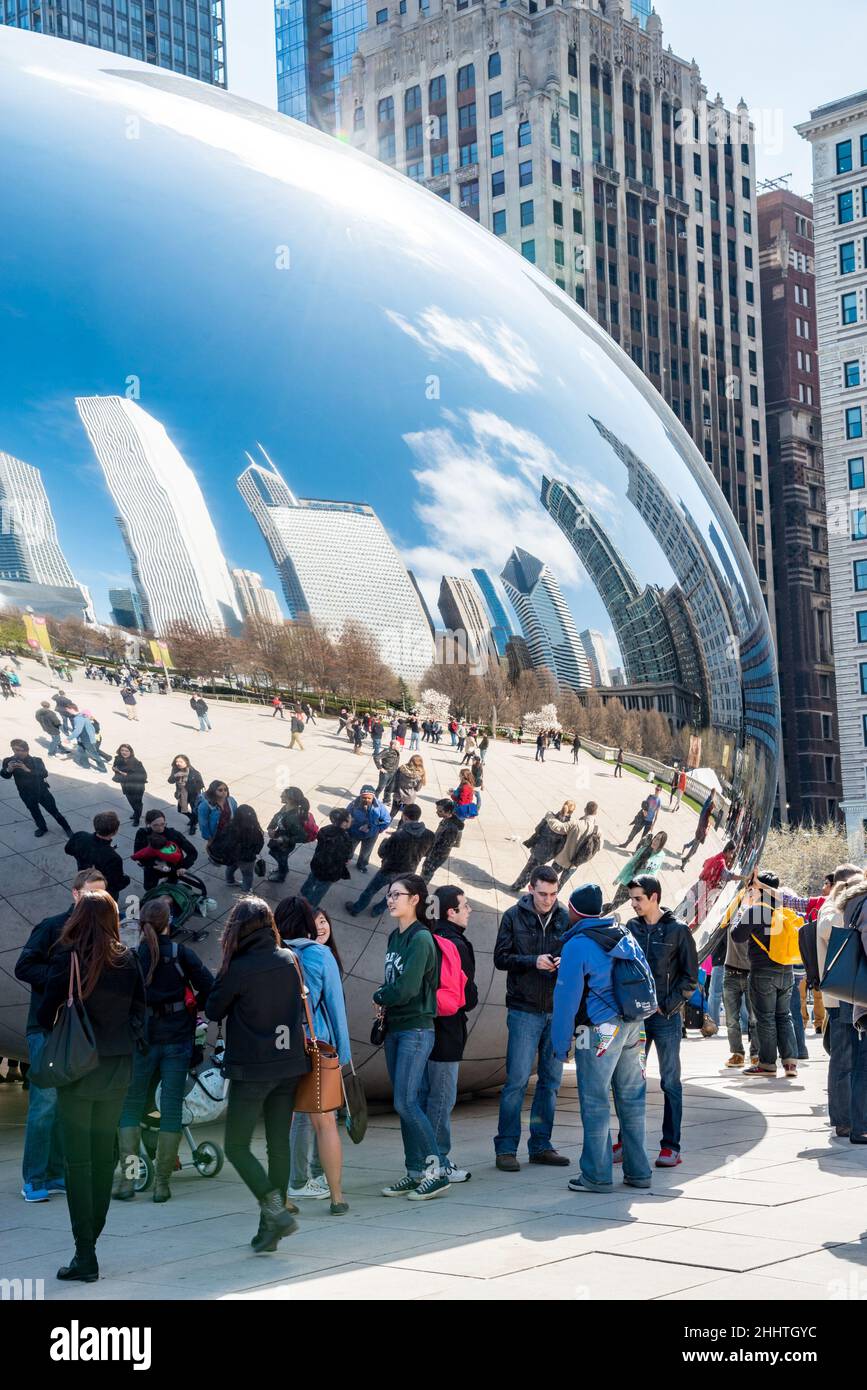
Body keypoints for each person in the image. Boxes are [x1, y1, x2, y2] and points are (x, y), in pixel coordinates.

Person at [37, 890, 145, 1282]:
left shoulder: (67, 959)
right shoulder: (128, 958)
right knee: (103, 1157)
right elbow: (139, 1011)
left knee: (77, 1163)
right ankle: (91, 1241)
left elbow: (45, 1010)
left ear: (78, 918)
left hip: (77, 1070)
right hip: (116, 1069)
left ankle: (86, 1252)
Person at [206, 897, 309, 1252]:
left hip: (253, 1069)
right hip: (290, 1065)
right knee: (278, 1145)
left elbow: (213, 1008)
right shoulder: (289, 959)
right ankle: (269, 1233)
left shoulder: (239, 967)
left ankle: (275, 1210)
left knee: (236, 1145)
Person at [551, 883, 653, 1194]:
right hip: (634, 1025)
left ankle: (596, 1176)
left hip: (601, 1030)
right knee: (632, 1099)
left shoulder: (578, 944)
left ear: (574, 911)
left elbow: (566, 997)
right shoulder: (624, 934)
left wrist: (560, 1044)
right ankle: (639, 1172)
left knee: (595, 1101)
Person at [14, 869, 107, 1203]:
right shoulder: (53, 926)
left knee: (65, 1104)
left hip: (79, 1031)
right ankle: (34, 1177)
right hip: (48, 1028)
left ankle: (55, 1173)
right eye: (90, 894)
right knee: (45, 1103)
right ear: (75, 894)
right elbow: (24, 966)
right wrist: (60, 978)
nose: (96, 901)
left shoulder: (101, 934)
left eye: (102, 896)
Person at [114, 898, 214, 1202]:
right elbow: (209, 986)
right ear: (169, 922)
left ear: (143, 924)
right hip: (178, 1040)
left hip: (143, 1041)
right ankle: (161, 1183)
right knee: (170, 1107)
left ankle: (129, 1181)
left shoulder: (132, 957)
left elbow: (121, 1000)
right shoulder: (182, 954)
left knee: (130, 1107)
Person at [374, 874, 450, 1200]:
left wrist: (380, 996)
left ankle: (437, 1171)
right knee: (407, 1103)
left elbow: (405, 988)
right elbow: (396, 982)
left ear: (415, 899)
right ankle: (415, 1171)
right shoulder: (395, 936)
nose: (391, 900)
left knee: (405, 1101)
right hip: (396, 1028)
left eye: (397, 895)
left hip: (416, 1029)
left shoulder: (421, 939)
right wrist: (386, 1002)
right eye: (389, 895)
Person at [493, 865, 571, 1171]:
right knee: (516, 1081)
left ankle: (541, 1145)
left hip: (556, 1011)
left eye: (553, 894)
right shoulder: (513, 916)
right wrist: (532, 961)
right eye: (542, 894)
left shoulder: (564, 917)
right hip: (524, 1010)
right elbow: (501, 958)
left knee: (550, 1082)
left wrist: (564, 961)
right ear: (531, 889)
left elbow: (575, 955)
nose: (548, 900)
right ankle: (506, 1148)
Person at [276, 898, 351, 1214]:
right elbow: (335, 1006)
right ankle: (336, 1198)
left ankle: (284, 1195)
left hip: (278, 1048)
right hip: (315, 1046)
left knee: (278, 1124)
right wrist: (342, 1054)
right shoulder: (320, 955)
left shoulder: (271, 954)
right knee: (326, 1124)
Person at [624, 876, 697, 1168]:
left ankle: (671, 1146)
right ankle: (625, 1142)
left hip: (665, 1019)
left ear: (654, 897)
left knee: (670, 1083)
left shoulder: (678, 930)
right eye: (631, 898)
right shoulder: (630, 928)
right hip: (635, 1019)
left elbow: (690, 977)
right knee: (629, 1083)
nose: (633, 904)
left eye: (638, 898)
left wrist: (668, 1007)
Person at [420, 886, 478, 1183]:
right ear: (450, 912)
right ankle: (439, 1162)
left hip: (420, 1030)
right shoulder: (456, 944)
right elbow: (467, 997)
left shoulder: (424, 939)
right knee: (441, 1100)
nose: (469, 910)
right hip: (448, 1030)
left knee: (422, 1098)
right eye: (465, 906)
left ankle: (420, 1162)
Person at [730, 872, 798, 1077]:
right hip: (787, 971)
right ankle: (790, 1063)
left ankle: (767, 1064)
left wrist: (743, 909)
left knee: (766, 1019)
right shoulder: (783, 910)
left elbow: (737, 936)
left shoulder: (756, 911)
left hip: (763, 972)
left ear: (760, 888)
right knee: (784, 1016)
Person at [817, 866, 864, 1139]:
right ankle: (843, 1119)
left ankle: (852, 1116)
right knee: (844, 1058)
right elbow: (829, 930)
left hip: (850, 992)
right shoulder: (831, 908)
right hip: (842, 996)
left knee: (853, 1058)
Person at [345, 803, 434, 916]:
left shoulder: (399, 835)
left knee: (371, 890)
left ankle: (356, 909)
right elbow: (426, 853)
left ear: (404, 816)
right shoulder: (430, 835)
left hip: (389, 869)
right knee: (394, 895)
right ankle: (378, 911)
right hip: (408, 871)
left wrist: (385, 841)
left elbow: (382, 853)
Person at [1, 739, 72, 838]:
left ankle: (67, 828)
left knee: (54, 811)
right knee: (34, 812)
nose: (18, 753)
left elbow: (44, 773)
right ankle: (42, 827)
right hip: (25, 793)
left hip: (42, 792)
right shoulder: (8, 761)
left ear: (27, 750)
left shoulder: (36, 760)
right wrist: (9, 769)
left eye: (21, 750)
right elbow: (5, 775)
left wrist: (26, 769)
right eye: (15, 750)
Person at [509, 801, 576, 892]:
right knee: (535, 870)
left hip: (539, 846)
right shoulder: (568, 825)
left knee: (529, 869)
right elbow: (562, 843)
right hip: (550, 853)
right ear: (572, 812)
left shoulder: (551, 816)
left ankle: (517, 886)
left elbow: (538, 828)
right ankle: (527, 887)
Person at [65, 812, 130, 903]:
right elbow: (116, 884)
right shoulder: (113, 858)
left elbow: (68, 850)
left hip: (83, 878)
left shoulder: (80, 836)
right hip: (103, 890)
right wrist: (127, 879)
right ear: (115, 831)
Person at [298, 809, 354, 907]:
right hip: (330, 871)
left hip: (317, 863)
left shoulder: (325, 829)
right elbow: (344, 856)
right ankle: (309, 908)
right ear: (344, 823)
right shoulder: (344, 839)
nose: (351, 819)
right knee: (320, 889)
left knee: (311, 880)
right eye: (349, 818)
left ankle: (301, 896)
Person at [133, 809, 197, 892]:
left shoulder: (173, 834)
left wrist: (183, 867)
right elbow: (138, 854)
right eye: (155, 825)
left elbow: (193, 852)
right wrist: (154, 865)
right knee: (150, 889)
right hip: (152, 869)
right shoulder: (143, 834)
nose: (160, 828)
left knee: (170, 889)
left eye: (163, 824)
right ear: (148, 824)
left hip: (173, 869)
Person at [606, 831, 668, 913]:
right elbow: (630, 864)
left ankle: (605, 912)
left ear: (662, 843)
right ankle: (602, 914)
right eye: (655, 838)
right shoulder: (643, 849)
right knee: (616, 903)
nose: (655, 841)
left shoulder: (661, 856)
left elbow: (655, 871)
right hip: (628, 882)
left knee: (617, 904)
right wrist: (619, 878)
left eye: (658, 840)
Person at [265, 787, 310, 883]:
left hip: (286, 844)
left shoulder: (294, 817)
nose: (281, 796)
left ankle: (281, 875)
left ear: (291, 799)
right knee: (276, 854)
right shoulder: (285, 807)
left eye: (283, 795)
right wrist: (270, 828)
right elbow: (276, 817)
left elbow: (302, 836)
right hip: (279, 838)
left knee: (281, 858)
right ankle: (283, 868)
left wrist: (284, 839)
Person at [554, 802, 600, 891]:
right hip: (575, 863)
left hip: (561, 859)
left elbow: (558, 828)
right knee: (560, 884)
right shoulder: (597, 830)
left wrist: (549, 816)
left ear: (585, 810)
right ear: (596, 813)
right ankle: (552, 898)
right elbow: (598, 847)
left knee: (548, 879)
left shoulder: (575, 823)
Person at [346, 784, 391, 872]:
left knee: (366, 852)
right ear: (360, 796)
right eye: (364, 798)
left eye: (369, 798)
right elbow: (346, 816)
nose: (366, 800)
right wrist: (350, 826)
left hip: (371, 834)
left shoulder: (379, 807)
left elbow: (386, 820)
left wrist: (377, 828)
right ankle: (346, 860)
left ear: (373, 797)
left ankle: (361, 864)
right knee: (349, 848)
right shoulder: (353, 804)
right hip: (355, 832)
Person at [222, 804, 265, 893]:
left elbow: (226, 841)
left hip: (233, 856)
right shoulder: (255, 831)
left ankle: (229, 881)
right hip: (247, 859)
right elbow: (259, 845)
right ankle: (246, 891)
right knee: (247, 875)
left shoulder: (230, 827)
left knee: (230, 868)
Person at [420, 799, 464, 883]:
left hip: (437, 856)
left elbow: (443, 846)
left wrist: (429, 853)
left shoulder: (451, 828)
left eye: (440, 811)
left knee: (426, 873)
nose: (437, 812)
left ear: (448, 812)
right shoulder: (446, 820)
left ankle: (420, 889)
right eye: (437, 810)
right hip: (434, 853)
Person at [197, 780, 237, 858]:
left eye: (225, 789)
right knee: (211, 846)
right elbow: (203, 823)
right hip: (215, 831)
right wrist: (208, 837)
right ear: (213, 791)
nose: (224, 792)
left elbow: (235, 813)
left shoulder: (231, 800)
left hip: (228, 829)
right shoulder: (205, 805)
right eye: (220, 790)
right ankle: (212, 856)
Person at [167, 754, 204, 835]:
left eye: (180, 761)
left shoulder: (194, 772)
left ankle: (193, 826)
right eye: (176, 761)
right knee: (181, 810)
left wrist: (195, 792)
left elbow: (201, 785)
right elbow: (170, 781)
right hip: (182, 794)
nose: (178, 763)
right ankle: (193, 818)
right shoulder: (176, 771)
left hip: (193, 795)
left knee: (194, 811)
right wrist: (175, 774)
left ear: (186, 762)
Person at [111, 743, 147, 826]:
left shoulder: (135, 762)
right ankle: (136, 813)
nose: (124, 752)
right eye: (122, 750)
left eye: (126, 751)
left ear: (131, 752)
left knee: (137, 803)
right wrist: (115, 770)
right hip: (125, 786)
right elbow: (115, 768)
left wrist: (125, 774)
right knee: (131, 802)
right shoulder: (118, 759)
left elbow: (143, 775)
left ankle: (137, 819)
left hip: (137, 787)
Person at [680, 790, 717, 869]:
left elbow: (705, 822)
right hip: (699, 834)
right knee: (693, 850)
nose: (713, 810)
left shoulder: (707, 814)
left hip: (700, 835)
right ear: (711, 807)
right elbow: (702, 824)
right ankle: (684, 862)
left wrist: (708, 826)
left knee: (694, 851)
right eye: (713, 808)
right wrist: (705, 831)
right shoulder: (706, 813)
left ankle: (684, 858)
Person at [390, 754, 426, 821]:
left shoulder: (401, 769)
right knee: (405, 817)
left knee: (392, 813)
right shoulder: (420, 774)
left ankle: (382, 828)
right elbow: (417, 789)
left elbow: (395, 780)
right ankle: (400, 830)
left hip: (398, 795)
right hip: (409, 798)